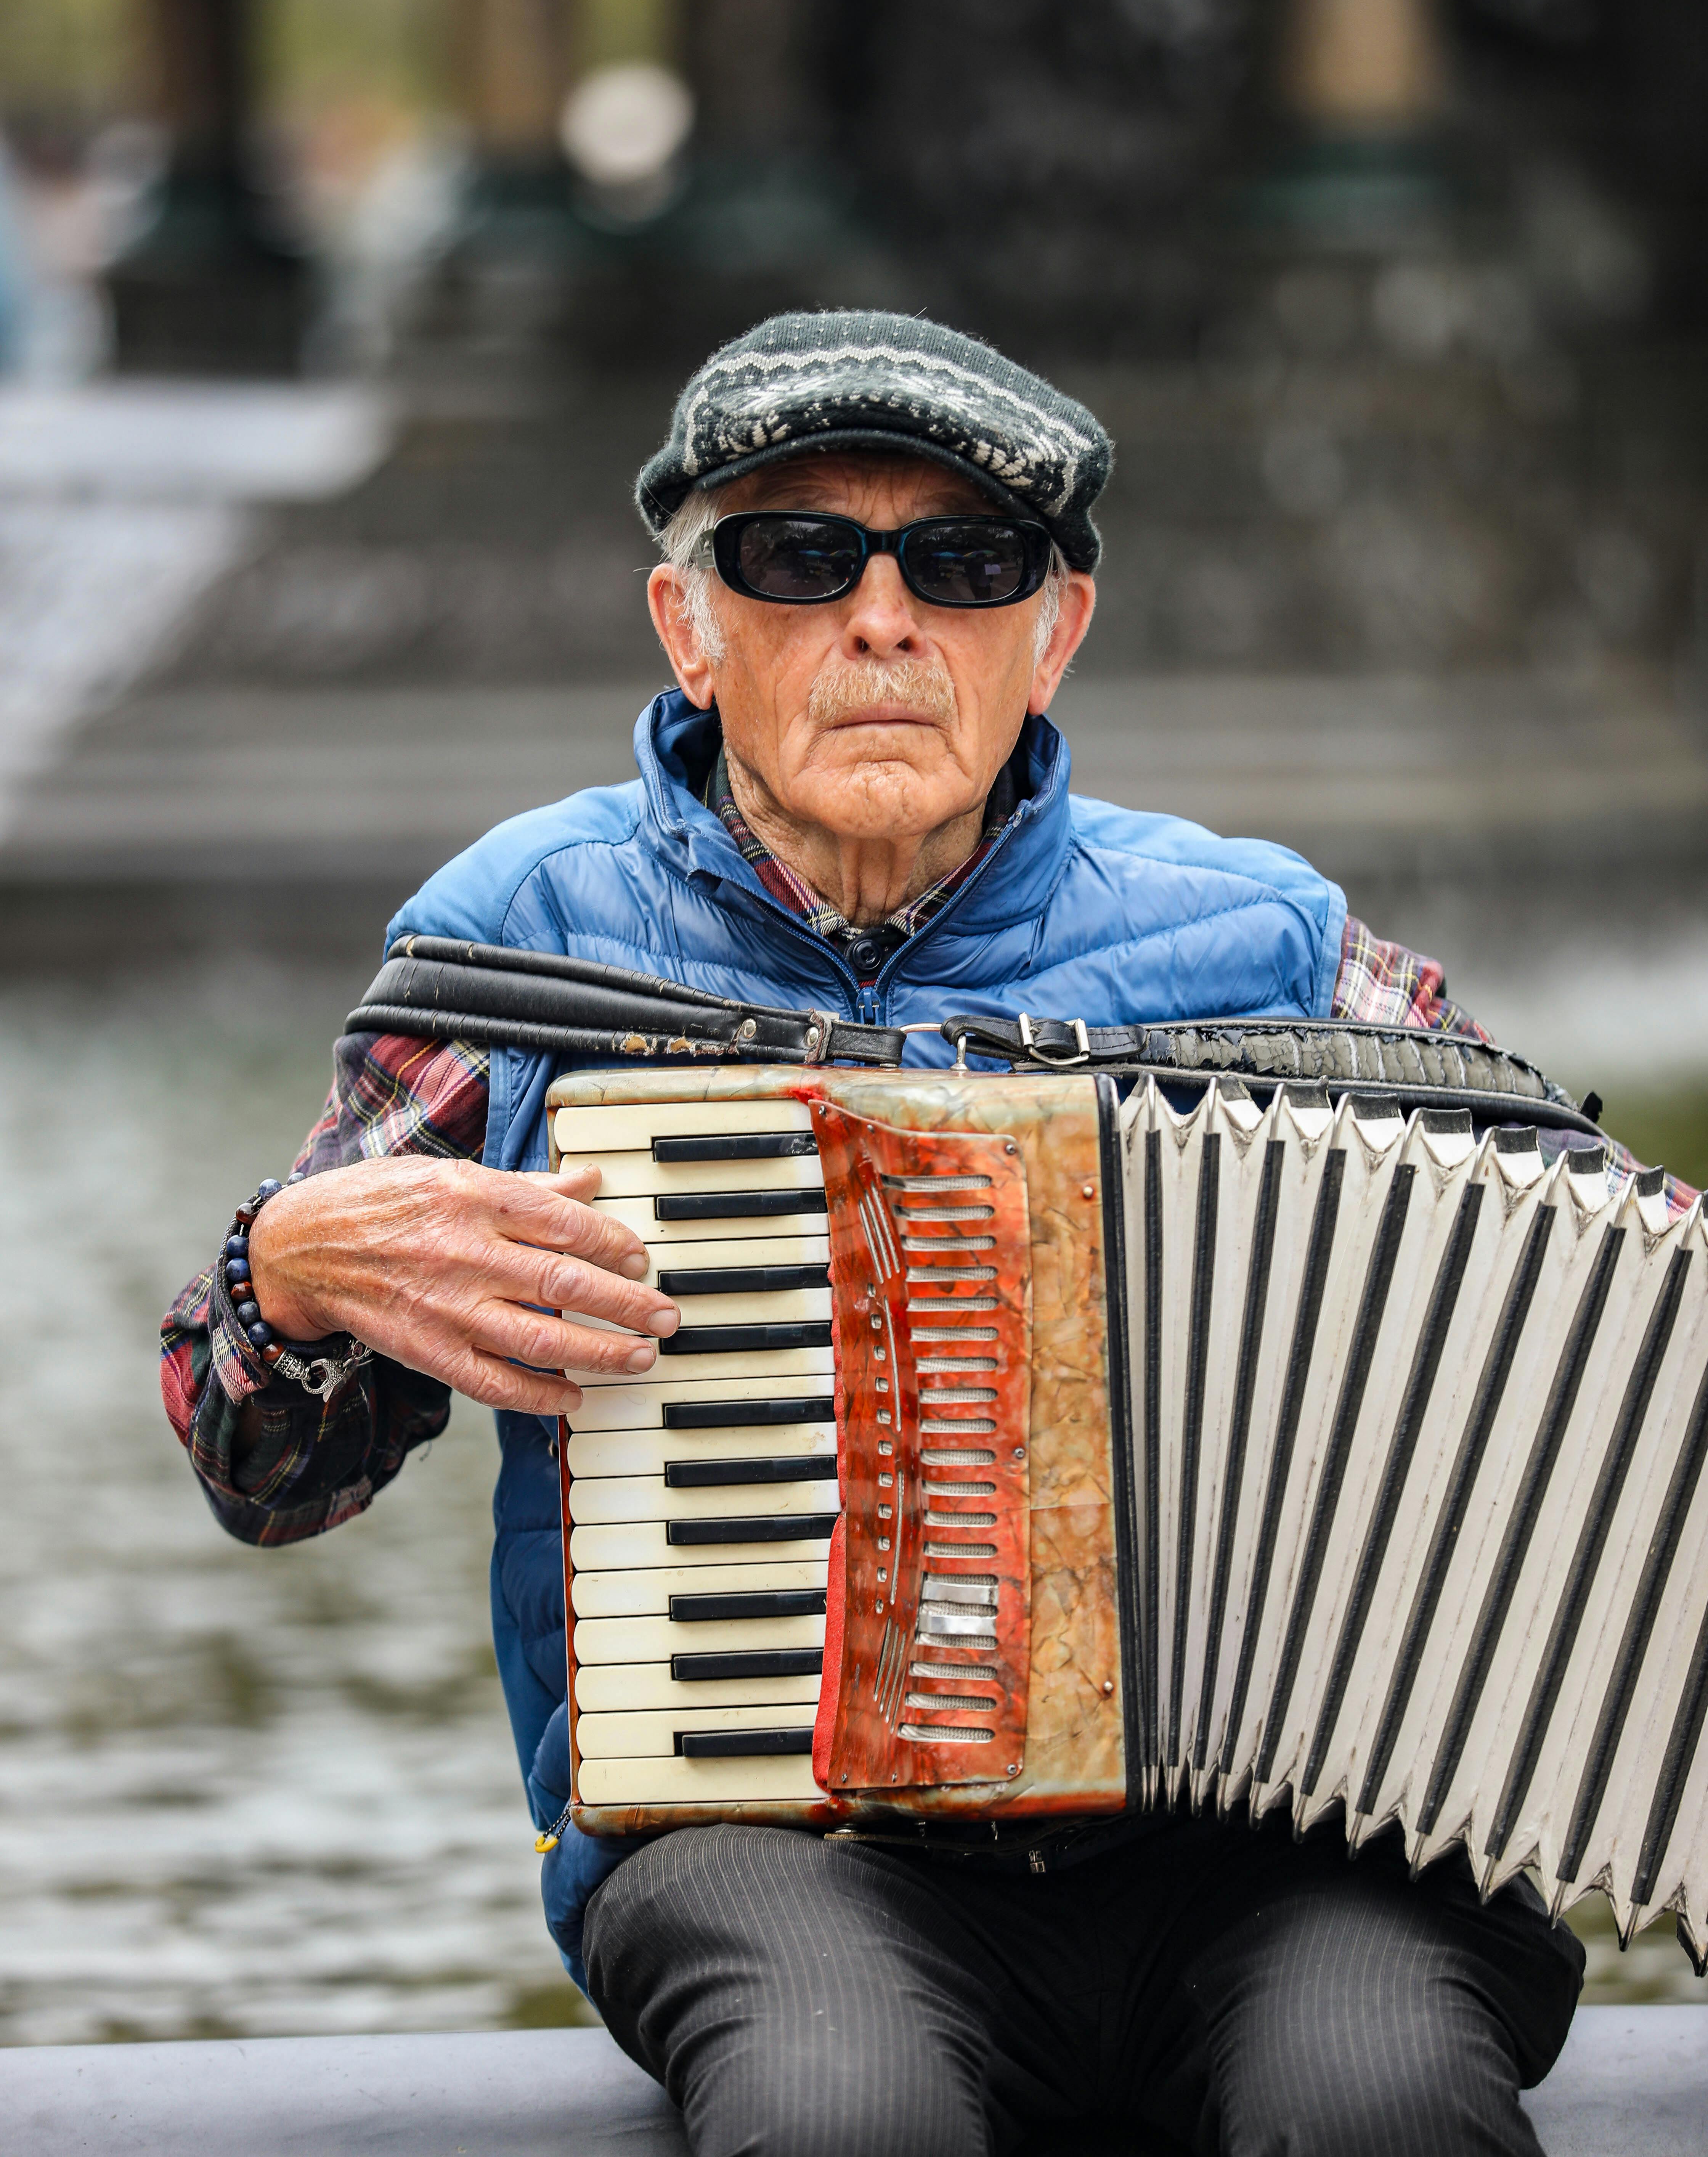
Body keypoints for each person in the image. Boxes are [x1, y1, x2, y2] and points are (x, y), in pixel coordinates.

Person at [164, 310, 1600, 2156]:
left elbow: (1589, 1259)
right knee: (844, 2113)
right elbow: (266, 1475)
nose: (882, 619)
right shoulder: (519, 949)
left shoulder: (1275, 948)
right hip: (769, 1841)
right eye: (798, 555)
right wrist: (284, 1272)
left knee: (1378, 2095)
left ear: (1054, 629)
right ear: (687, 622)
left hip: (1282, 1838)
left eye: (966, 561)